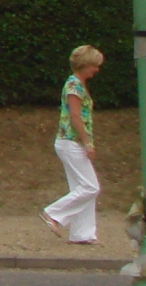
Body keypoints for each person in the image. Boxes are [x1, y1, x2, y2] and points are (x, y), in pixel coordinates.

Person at [42, 45, 103, 244]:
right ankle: (54, 214)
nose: (97, 70)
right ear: (86, 65)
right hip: (71, 142)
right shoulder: (74, 85)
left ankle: (82, 234)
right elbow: (75, 116)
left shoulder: (76, 84)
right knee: (90, 187)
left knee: (81, 187)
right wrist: (87, 143)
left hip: (70, 142)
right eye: (94, 65)